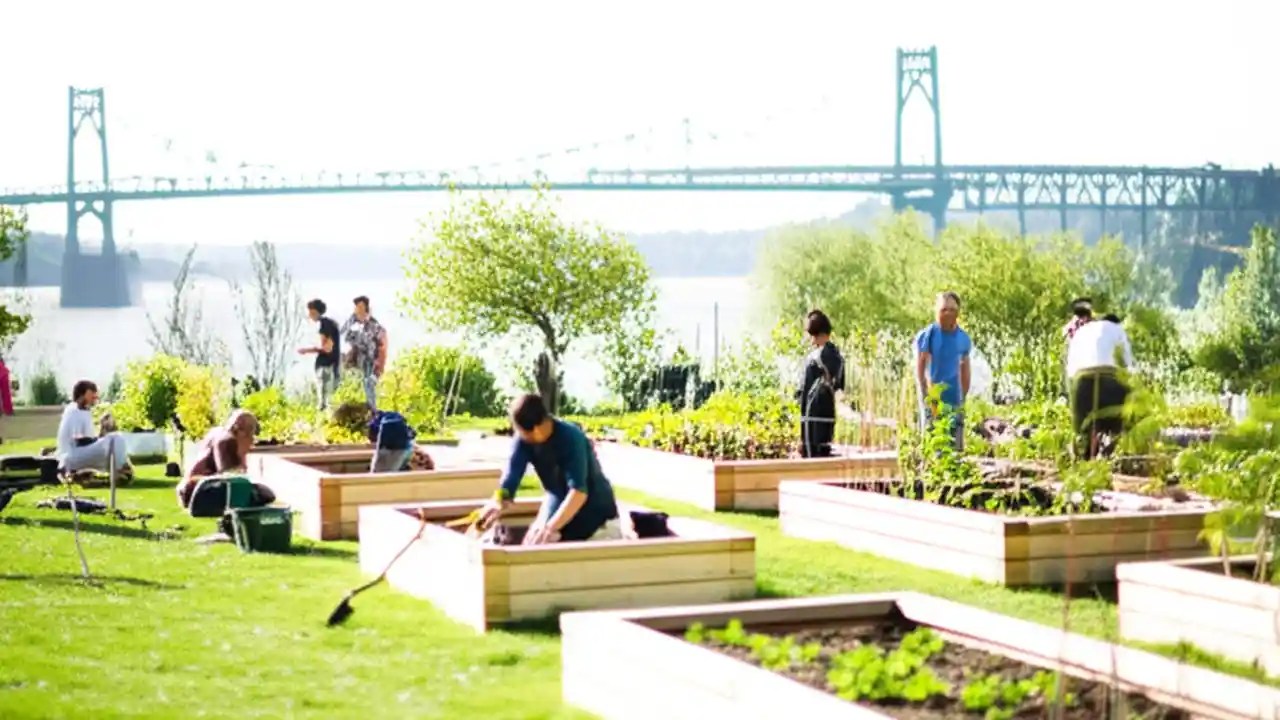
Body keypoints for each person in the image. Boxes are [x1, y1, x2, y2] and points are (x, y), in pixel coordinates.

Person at [479, 393, 622, 545]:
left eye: (523, 434)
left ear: (536, 429)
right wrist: (498, 501)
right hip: (558, 501)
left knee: (548, 539)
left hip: (596, 514)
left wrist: (548, 528)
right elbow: (511, 476)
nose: (520, 438)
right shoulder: (524, 440)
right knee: (533, 541)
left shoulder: (571, 438)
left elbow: (578, 492)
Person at [1066, 312, 1135, 459]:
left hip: (1082, 381)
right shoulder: (1118, 330)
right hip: (1110, 381)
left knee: (1083, 426)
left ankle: (1083, 451)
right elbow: (1128, 365)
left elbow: (1070, 371)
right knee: (1120, 417)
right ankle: (1114, 447)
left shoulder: (1082, 331)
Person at [176, 410, 275, 509]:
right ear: (242, 431)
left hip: (193, 488)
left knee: (260, 492)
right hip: (197, 491)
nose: (252, 440)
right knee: (264, 493)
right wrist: (241, 455)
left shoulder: (218, 433)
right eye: (251, 434)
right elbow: (232, 478)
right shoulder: (227, 441)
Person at [914, 291, 972, 450]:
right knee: (933, 438)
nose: (948, 313)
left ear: (958, 312)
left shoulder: (963, 338)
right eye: (943, 309)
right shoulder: (928, 335)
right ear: (936, 311)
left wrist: (963, 395)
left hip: (955, 396)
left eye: (952, 310)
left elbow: (965, 368)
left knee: (955, 441)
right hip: (934, 395)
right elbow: (921, 364)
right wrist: (926, 392)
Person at [56, 380, 134, 482]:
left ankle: (120, 471)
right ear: (82, 394)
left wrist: (103, 431)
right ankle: (121, 471)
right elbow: (80, 441)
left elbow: (88, 440)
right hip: (72, 456)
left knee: (114, 439)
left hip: (78, 453)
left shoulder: (83, 411)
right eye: (92, 393)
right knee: (115, 439)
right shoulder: (74, 411)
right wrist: (104, 437)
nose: (95, 396)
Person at [796, 309, 845, 458]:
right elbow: (839, 386)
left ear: (817, 335)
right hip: (826, 415)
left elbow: (804, 390)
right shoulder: (837, 356)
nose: (811, 341)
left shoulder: (816, 358)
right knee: (823, 450)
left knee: (813, 454)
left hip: (813, 416)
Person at [340, 295, 388, 408]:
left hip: (370, 361)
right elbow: (341, 334)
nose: (358, 310)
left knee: (368, 383)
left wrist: (379, 368)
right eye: (356, 308)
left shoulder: (374, 326)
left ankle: (372, 410)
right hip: (355, 360)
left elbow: (382, 345)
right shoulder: (352, 324)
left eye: (360, 307)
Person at [297, 299, 341, 410]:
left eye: (312, 312)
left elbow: (327, 348)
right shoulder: (331, 324)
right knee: (329, 396)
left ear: (316, 312)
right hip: (333, 363)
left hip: (326, 364)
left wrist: (307, 350)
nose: (310, 315)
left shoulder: (325, 325)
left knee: (324, 400)